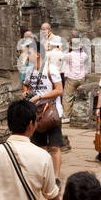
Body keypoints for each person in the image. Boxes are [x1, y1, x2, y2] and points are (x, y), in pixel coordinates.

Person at [26, 47, 65, 181]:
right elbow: (25, 85)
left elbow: (59, 90)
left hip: (52, 112)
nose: (25, 55)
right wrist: (25, 93)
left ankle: (55, 177)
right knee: (39, 147)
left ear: (37, 54)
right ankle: (42, 175)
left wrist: (41, 97)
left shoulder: (51, 69)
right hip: (36, 113)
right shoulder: (29, 71)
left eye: (28, 52)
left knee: (54, 147)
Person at [62, 34, 89, 141]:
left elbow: (62, 58)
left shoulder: (69, 55)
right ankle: (76, 114)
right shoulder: (84, 55)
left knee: (68, 97)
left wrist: (68, 50)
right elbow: (84, 55)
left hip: (71, 78)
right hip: (81, 78)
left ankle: (66, 116)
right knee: (78, 97)